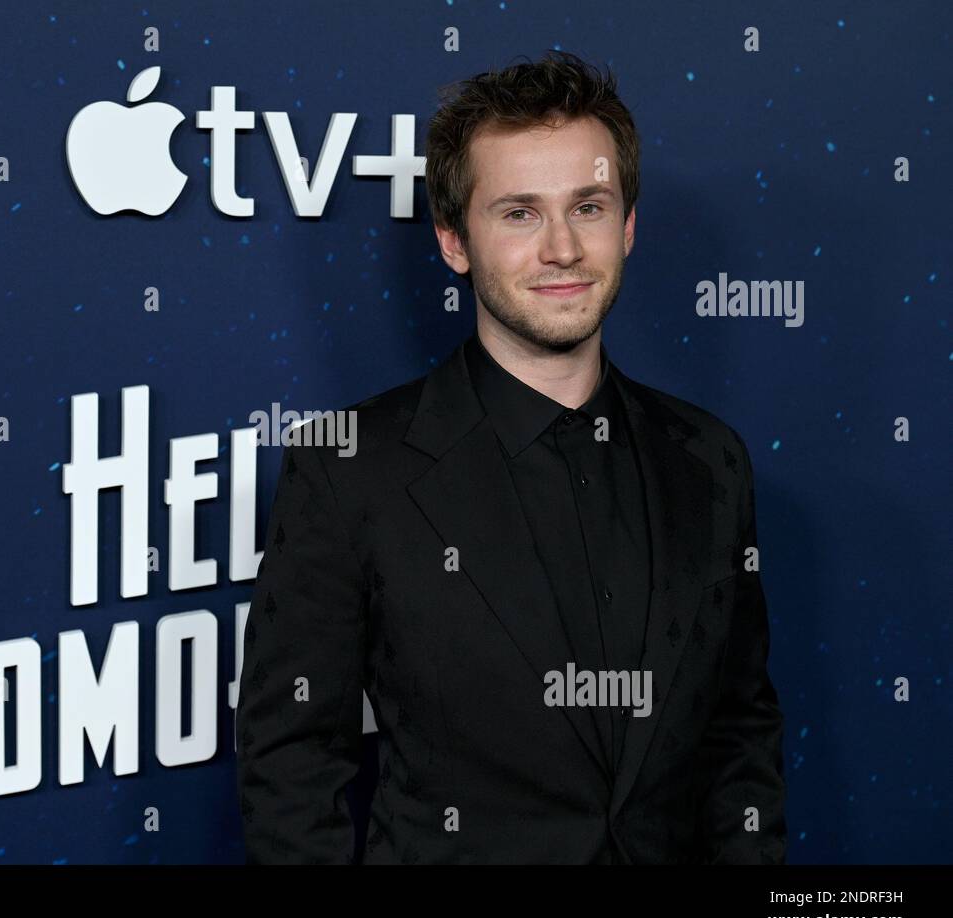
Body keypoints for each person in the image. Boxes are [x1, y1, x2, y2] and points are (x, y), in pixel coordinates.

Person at [234, 50, 787, 864]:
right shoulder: (348, 467)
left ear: (628, 225)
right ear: (455, 241)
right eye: (520, 213)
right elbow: (291, 762)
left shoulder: (711, 460)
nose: (562, 248)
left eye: (589, 207)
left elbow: (740, 729)